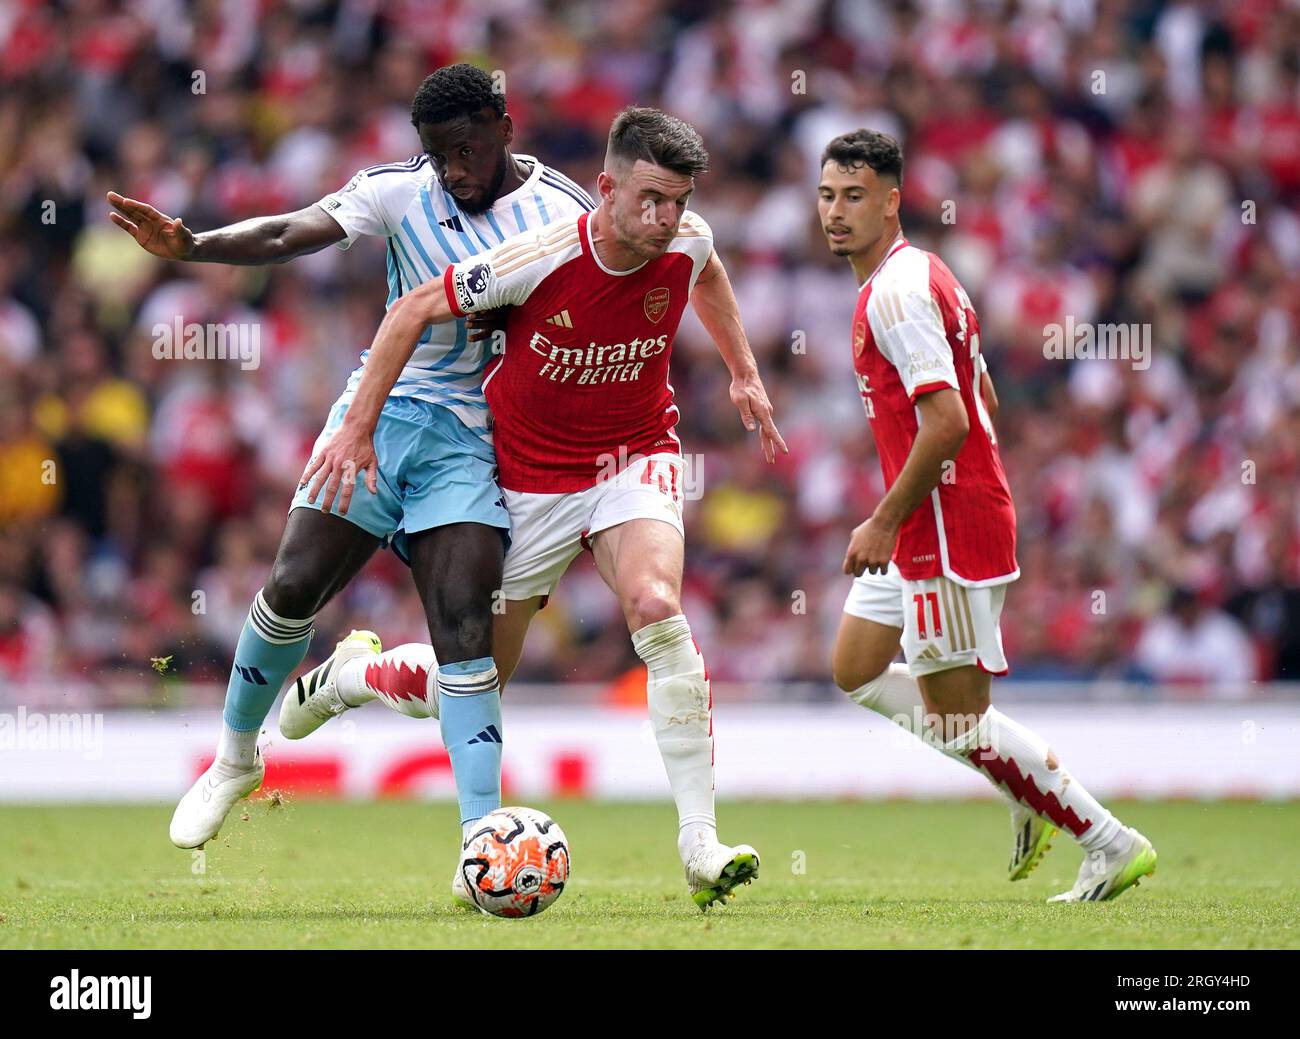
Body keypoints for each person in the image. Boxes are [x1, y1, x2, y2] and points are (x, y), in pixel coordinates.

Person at [288, 107, 786, 910]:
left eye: (679, 200)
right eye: (651, 199)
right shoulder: (538, 257)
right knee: (476, 676)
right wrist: (356, 427)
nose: (667, 219)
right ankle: (357, 674)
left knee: (657, 606)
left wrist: (743, 372)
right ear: (606, 188)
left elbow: (711, 273)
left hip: (634, 458)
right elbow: (412, 309)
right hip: (531, 480)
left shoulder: (688, 237)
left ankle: (700, 842)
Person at [108, 63, 594, 851]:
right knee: (294, 582)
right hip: (381, 412)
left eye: (467, 150)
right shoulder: (399, 190)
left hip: (473, 440)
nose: (454, 171)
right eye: (440, 156)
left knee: (465, 623)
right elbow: (286, 231)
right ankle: (235, 757)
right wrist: (194, 246)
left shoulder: (564, 211)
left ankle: (482, 840)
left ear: (506, 128)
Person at [818, 128, 1156, 902]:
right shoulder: (924, 271)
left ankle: (1108, 840)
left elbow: (949, 421)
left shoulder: (897, 293)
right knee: (857, 668)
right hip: (926, 520)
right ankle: (1021, 782)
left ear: (892, 201)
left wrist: (880, 519)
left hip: (944, 525)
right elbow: (982, 393)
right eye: (828, 195)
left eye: (855, 197)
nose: (836, 212)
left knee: (958, 721)